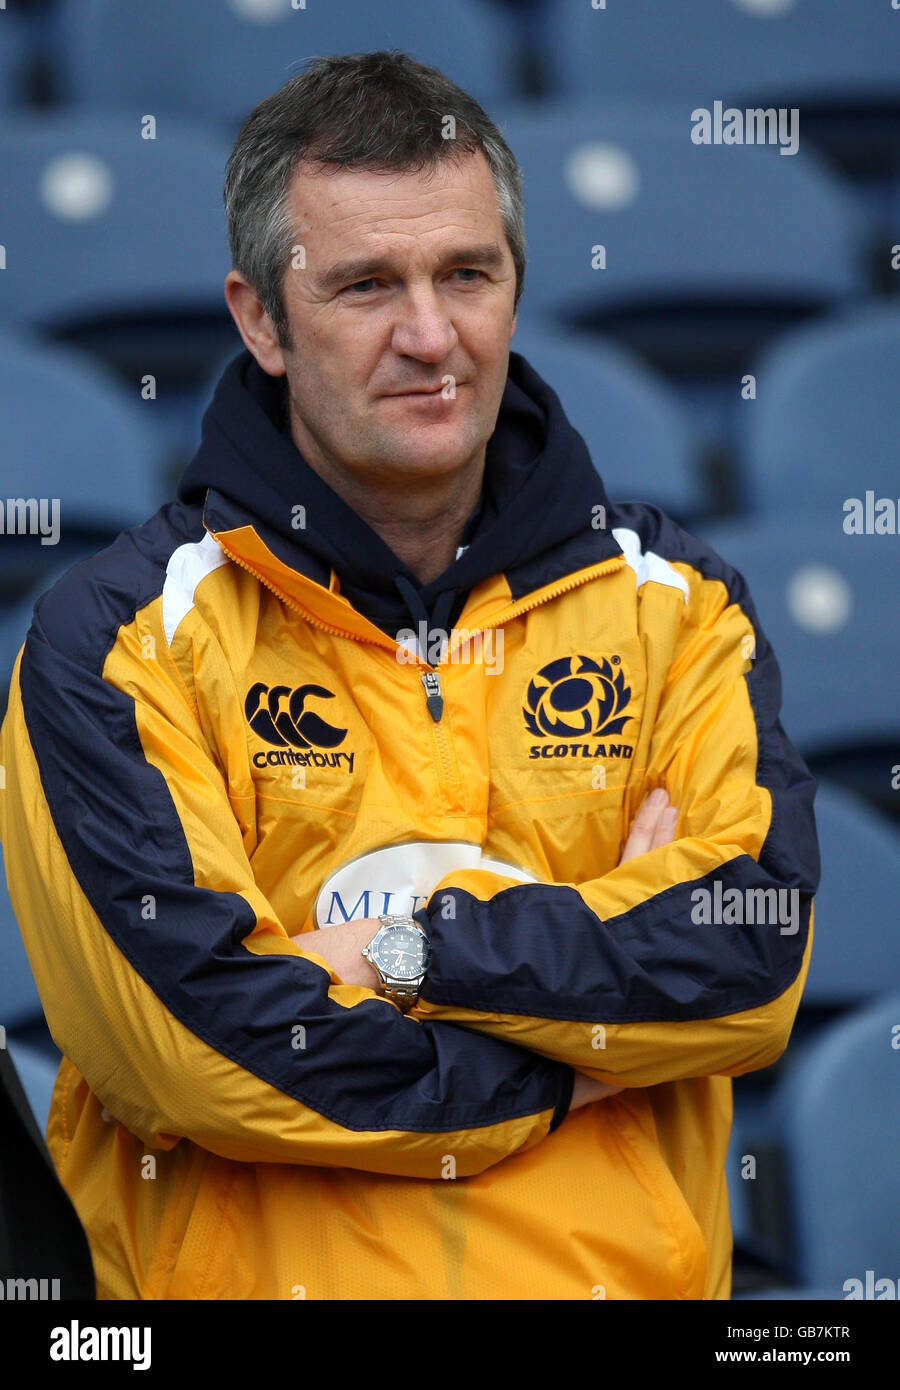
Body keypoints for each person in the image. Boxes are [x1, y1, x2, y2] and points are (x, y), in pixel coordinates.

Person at [0, 51, 818, 1300]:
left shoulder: (675, 604)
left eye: (467, 276)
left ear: (515, 289)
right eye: (367, 285)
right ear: (260, 318)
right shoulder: (114, 637)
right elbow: (197, 1047)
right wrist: (578, 1058)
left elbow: (746, 963)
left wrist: (399, 955)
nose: (429, 336)